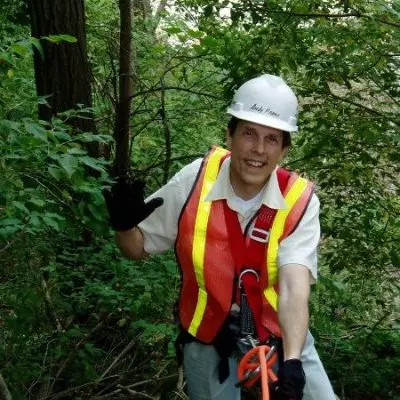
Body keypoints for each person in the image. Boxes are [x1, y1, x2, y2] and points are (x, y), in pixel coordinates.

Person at [105, 74, 336, 400]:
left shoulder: (298, 202)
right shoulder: (193, 182)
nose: (258, 149)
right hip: (206, 337)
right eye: (249, 133)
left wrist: (293, 361)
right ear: (230, 135)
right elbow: (136, 248)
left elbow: (293, 287)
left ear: (284, 149)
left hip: (279, 334)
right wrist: (123, 226)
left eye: (272, 139)